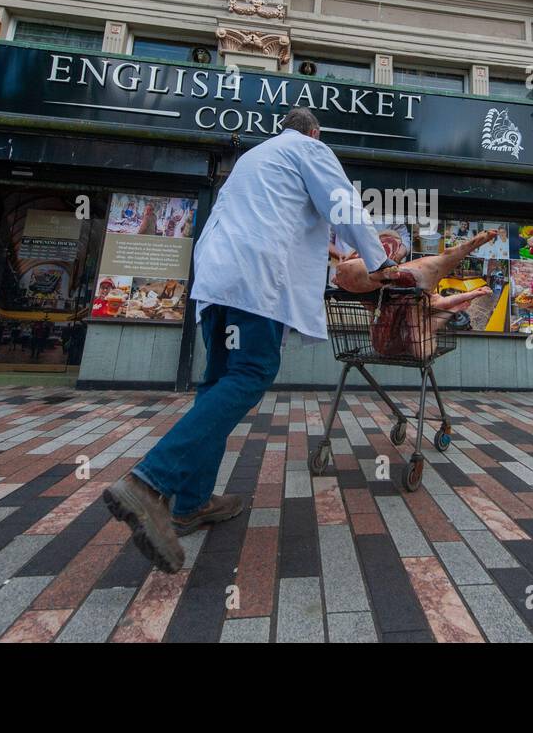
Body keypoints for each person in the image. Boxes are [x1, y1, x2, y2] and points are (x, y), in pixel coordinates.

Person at [103, 107, 396, 572]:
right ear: (315, 133)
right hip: (254, 283)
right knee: (251, 372)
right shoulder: (309, 148)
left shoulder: (255, 159)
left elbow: (286, 219)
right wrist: (381, 263)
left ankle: (191, 503)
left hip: (217, 281)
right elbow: (342, 204)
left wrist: (335, 247)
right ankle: (148, 483)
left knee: (218, 382)